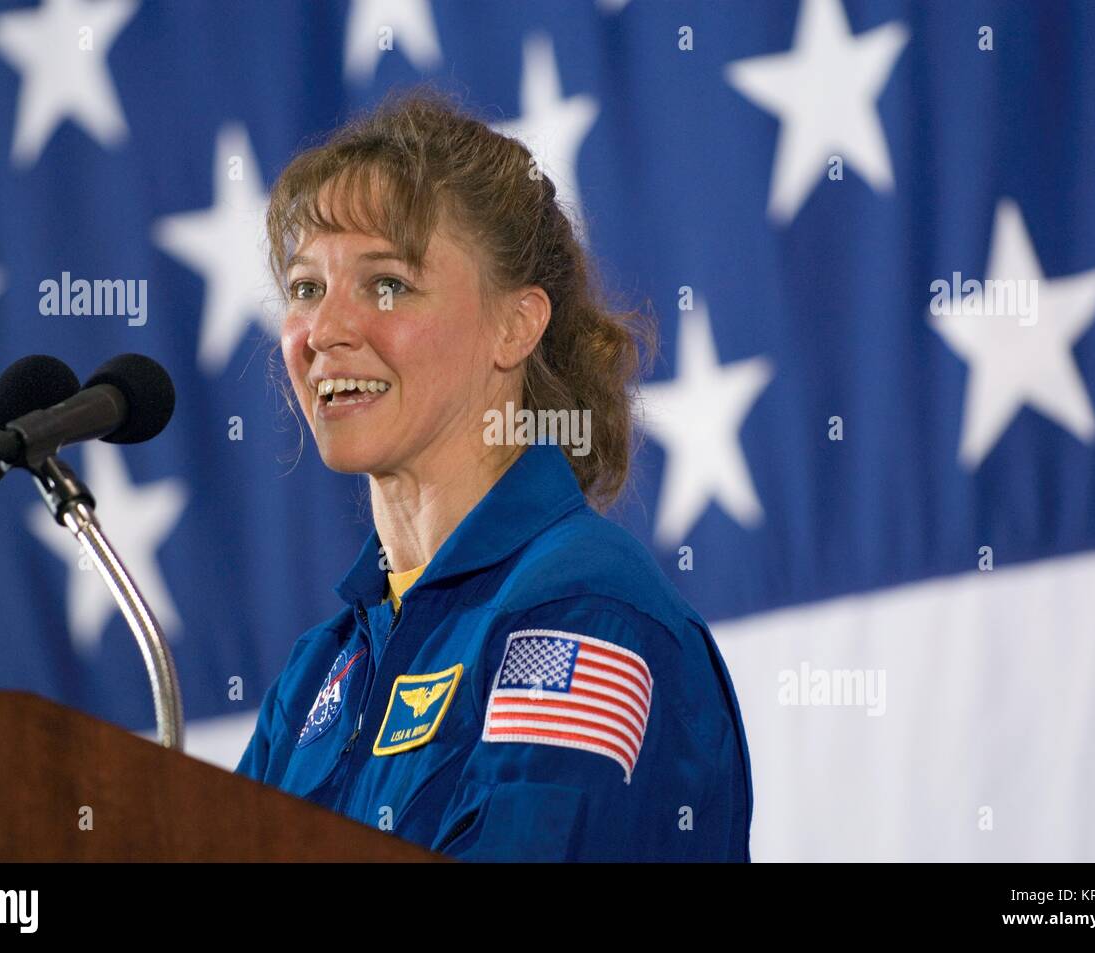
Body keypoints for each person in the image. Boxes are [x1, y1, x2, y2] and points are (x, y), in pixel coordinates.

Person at [236, 87, 753, 861]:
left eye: (387, 284)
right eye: (306, 287)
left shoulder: (583, 610)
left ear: (516, 324)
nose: (324, 330)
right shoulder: (314, 676)